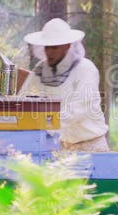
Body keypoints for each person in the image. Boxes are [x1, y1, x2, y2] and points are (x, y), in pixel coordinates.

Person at [18, 18, 110, 152]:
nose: (49, 52)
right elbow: (24, 98)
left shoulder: (85, 69)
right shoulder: (40, 69)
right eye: (47, 47)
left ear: (67, 45)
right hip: (59, 147)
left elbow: (77, 109)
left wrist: (45, 124)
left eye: (54, 47)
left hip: (91, 146)